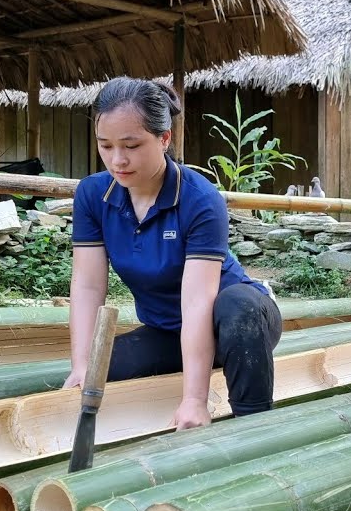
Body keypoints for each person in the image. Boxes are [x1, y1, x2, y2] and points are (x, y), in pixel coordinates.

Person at [66, 77, 282, 430]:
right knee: (102, 367)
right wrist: (82, 366)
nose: (117, 160)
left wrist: (194, 401)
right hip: (169, 330)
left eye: (131, 145)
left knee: (237, 306)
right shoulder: (92, 195)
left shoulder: (200, 199)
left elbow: (198, 301)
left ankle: (255, 425)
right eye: (105, 146)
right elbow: (88, 286)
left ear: (164, 138)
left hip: (238, 322)